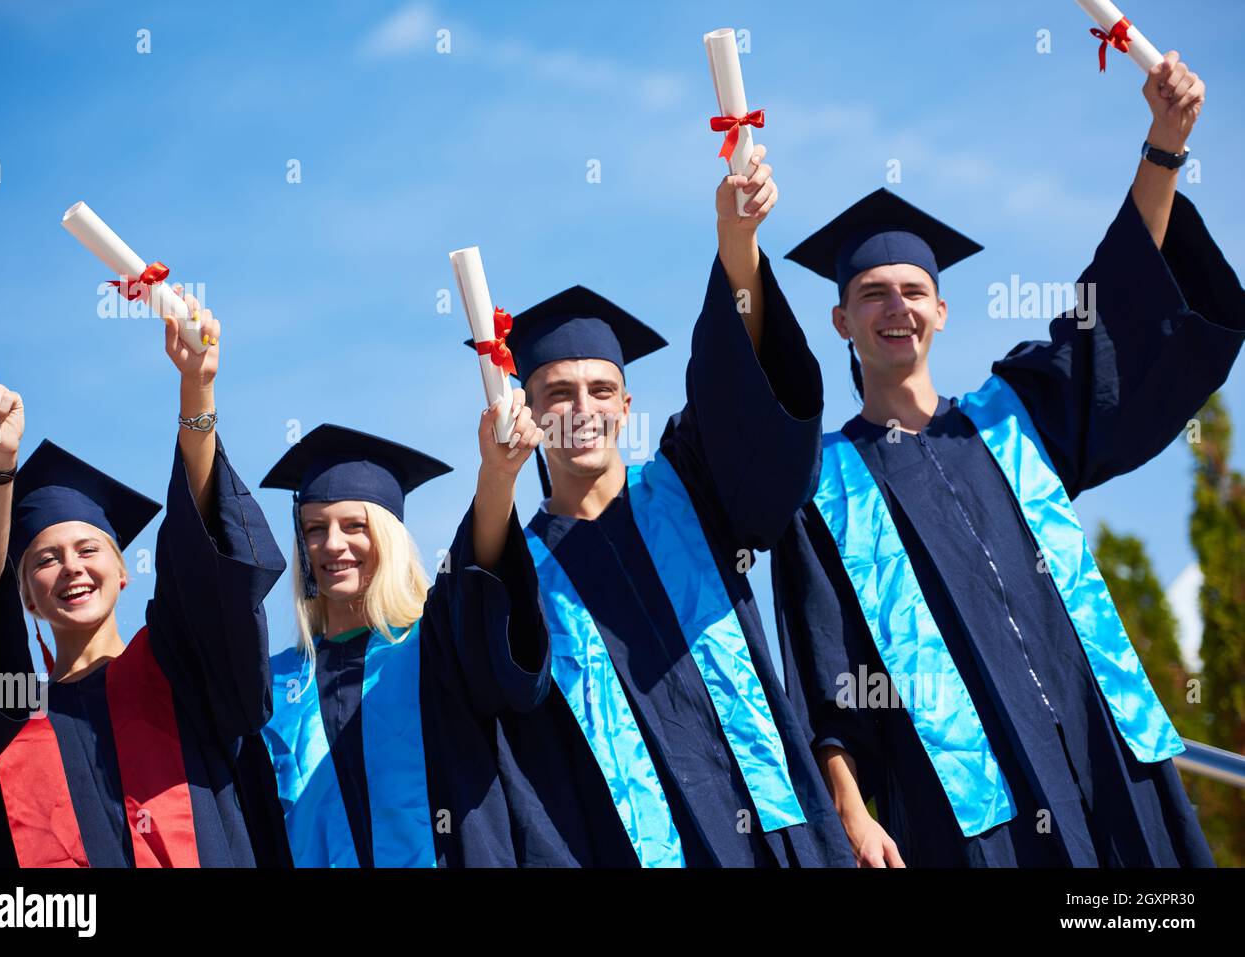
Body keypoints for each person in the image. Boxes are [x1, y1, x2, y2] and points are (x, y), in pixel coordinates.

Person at [771, 52, 1239, 867]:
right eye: (873, 294)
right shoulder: (825, 489)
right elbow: (828, 680)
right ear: (841, 320)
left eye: (913, 291)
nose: (896, 308)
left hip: (1109, 750)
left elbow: (1114, 302)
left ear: (942, 312)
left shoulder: (1010, 415)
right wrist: (851, 811)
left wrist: (1162, 146)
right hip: (974, 807)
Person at [451, 145, 855, 866]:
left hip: (785, 831)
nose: (582, 408)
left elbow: (742, 400)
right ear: (532, 414)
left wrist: (738, 245)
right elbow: (494, 673)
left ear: (626, 405)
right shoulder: (519, 564)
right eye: (558, 393)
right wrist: (496, 479)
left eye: (601, 390)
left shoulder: (687, 482)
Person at [0, 292, 286, 866]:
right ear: (24, 594)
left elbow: (204, 565)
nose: (72, 567)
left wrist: (196, 391)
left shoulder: (181, 669)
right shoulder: (7, 715)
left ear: (124, 571)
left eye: (87, 548)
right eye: (45, 560)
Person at [244, 419, 542, 867]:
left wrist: (497, 477)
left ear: (389, 537)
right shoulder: (277, 684)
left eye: (354, 525)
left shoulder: (433, 649)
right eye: (314, 529)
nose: (332, 544)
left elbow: (476, 576)